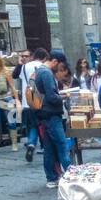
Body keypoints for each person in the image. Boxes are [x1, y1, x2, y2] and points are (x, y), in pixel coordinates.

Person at [30, 51, 71, 188]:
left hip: (44, 114)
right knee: (62, 145)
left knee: (49, 148)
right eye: (59, 65)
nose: (59, 69)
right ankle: (71, 176)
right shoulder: (46, 73)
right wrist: (64, 97)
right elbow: (52, 97)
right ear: (54, 61)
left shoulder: (39, 71)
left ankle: (51, 178)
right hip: (51, 114)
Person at [16, 46, 46, 162]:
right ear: (43, 58)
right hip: (39, 101)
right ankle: (44, 146)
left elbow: (21, 80)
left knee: (33, 125)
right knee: (42, 124)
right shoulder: (42, 67)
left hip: (27, 101)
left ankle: (31, 144)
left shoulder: (24, 66)